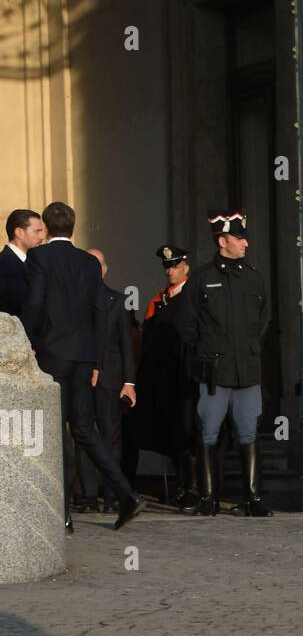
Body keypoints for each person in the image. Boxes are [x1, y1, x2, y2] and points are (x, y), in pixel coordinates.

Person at [21, 201, 143, 535]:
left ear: (46, 228)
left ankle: (62, 514)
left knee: (56, 432)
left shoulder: (40, 257)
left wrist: (26, 338)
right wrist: (97, 360)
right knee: (85, 429)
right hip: (83, 355)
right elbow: (98, 312)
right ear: (73, 227)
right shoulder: (89, 263)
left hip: (53, 353)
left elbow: (34, 302)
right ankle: (127, 494)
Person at [182, 208, 271, 517]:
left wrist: (248, 348)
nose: (245, 243)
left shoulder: (255, 279)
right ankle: (208, 498)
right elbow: (188, 325)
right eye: (239, 238)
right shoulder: (202, 279)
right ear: (223, 241)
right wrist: (207, 353)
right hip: (214, 373)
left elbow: (263, 321)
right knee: (209, 431)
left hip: (246, 370)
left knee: (248, 432)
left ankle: (253, 497)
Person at [133, 245, 198, 510]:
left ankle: (195, 487)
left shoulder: (193, 296)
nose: (170, 271)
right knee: (169, 432)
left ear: (186, 267)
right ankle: (181, 485)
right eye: (167, 266)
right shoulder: (159, 300)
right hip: (163, 377)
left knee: (188, 432)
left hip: (186, 375)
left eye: (175, 266)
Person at [72, 248, 137, 513]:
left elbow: (126, 347)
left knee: (111, 439)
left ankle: (112, 496)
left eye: (98, 264)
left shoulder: (118, 301)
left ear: (105, 269)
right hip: (82, 379)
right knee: (83, 436)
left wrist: (129, 383)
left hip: (111, 380)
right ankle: (86, 496)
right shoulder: (74, 301)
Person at [0, 208, 44, 316]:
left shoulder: (33, 262)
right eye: (37, 231)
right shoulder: (5, 264)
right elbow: (23, 304)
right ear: (19, 232)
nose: (42, 237)